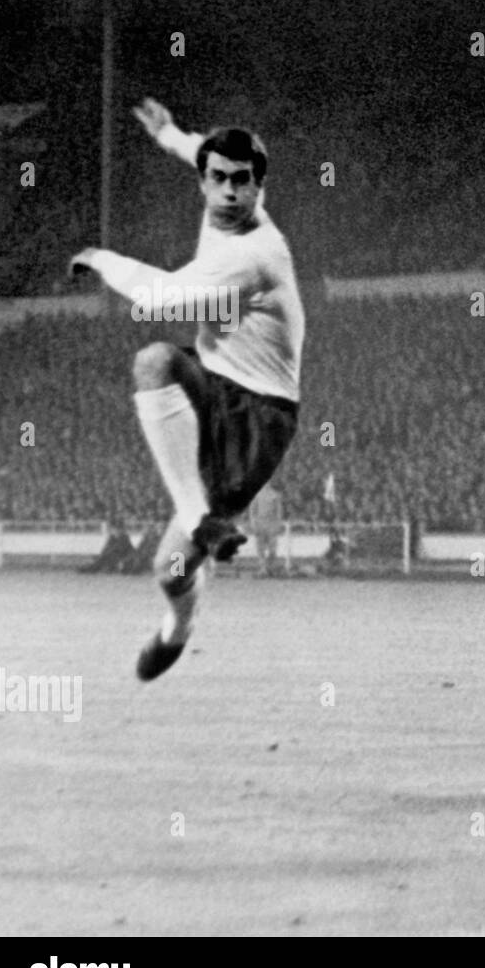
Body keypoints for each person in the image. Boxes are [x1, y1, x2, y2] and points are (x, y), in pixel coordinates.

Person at [70, 98, 305, 681]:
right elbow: (201, 150)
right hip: (214, 382)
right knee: (152, 362)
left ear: (259, 190)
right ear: (204, 182)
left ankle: (177, 629)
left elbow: (159, 298)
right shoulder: (221, 196)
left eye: (242, 183)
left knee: (170, 570)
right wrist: (170, 134)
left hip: (258, 416)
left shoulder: (254, 255)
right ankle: (200, 518)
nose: (228, 192)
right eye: (217, 179)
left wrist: (102, 257)